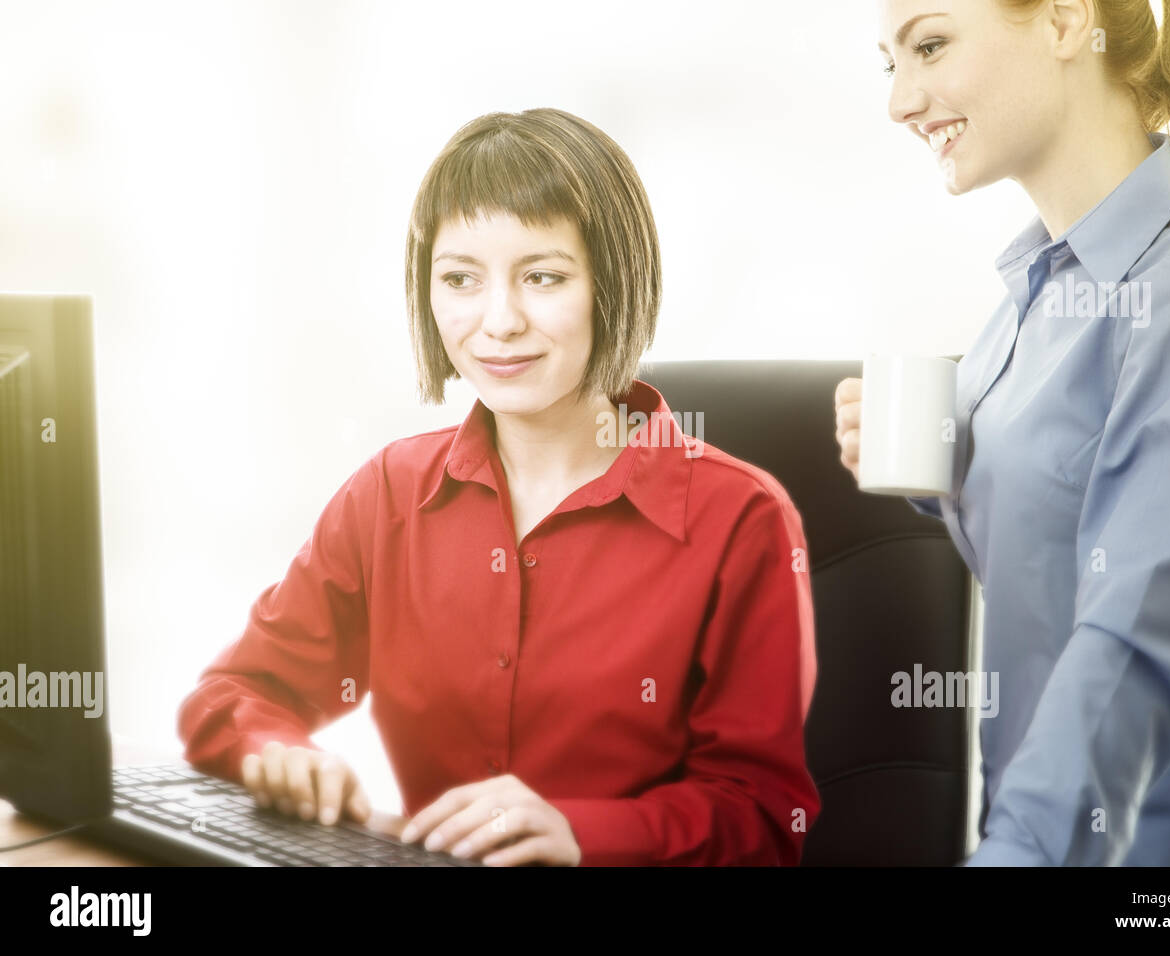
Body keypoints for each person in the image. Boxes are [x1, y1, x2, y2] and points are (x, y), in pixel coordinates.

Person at [178, 108, 820, 866]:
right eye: (460, 280)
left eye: (543, 278)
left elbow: (767, 819)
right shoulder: (392, 492)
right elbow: (233, 695)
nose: (498, 321)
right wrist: (276, 750)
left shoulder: (740, 520)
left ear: (612, 285)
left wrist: (579, 834)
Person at [837, 0, 1170, 864]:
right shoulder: (1041, 288)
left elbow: (1140, 632)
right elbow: (1062, 503)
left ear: (1061, 21)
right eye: (890, 64)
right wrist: (936, 466)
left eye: (930, 45)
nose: (900, 102)